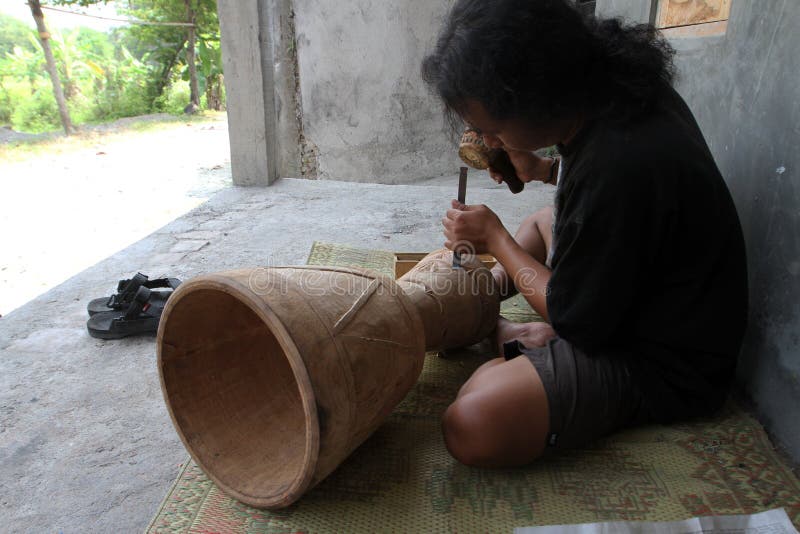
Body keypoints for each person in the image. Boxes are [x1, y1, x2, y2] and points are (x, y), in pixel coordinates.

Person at [421, 0, 748, 467]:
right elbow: (610, 198)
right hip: (644, 291)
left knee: (473, 420)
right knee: (541, 223)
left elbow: (576, 319)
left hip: (664, 361)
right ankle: (485, 303)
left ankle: (498, 331)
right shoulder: (611, 85)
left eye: (492, 129)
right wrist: (546, 169)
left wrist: (494, 238)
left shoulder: (619, 163)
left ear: (536, 97)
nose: (488, 142)